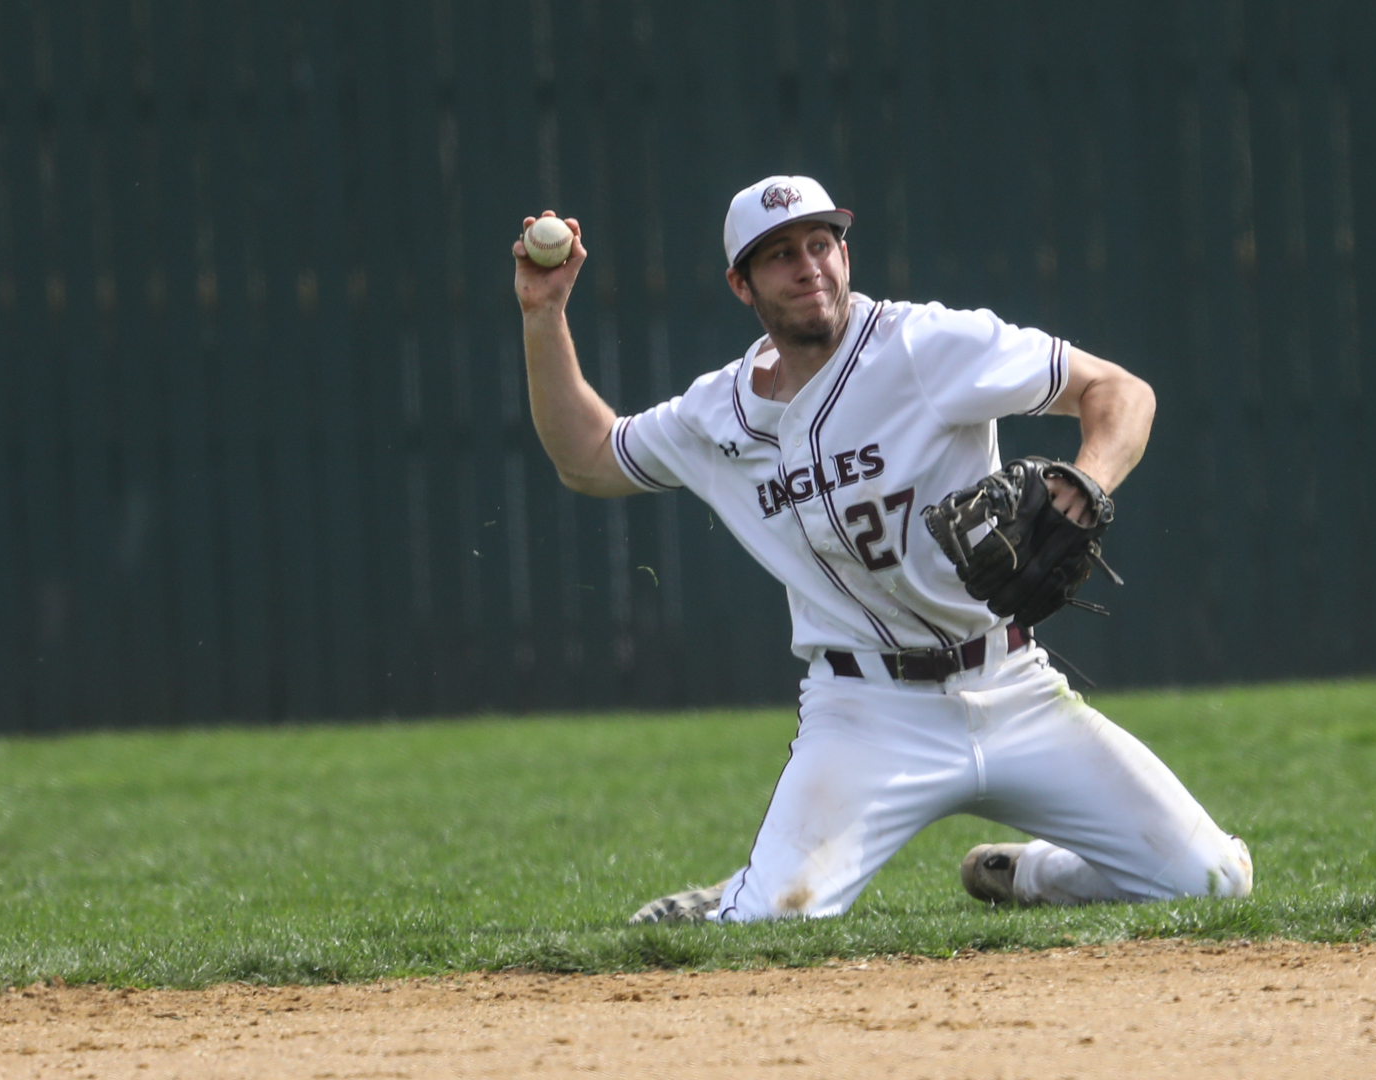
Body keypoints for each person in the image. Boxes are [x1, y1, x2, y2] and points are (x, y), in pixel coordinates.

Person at [512, 175, 1251, 922]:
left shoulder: (924, 346)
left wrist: (1086, 485)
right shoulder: (718, 415)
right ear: (741, 284)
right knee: (774, 920)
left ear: (845, 252)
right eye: (780, 255)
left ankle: (1027, 873)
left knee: (1215, 880)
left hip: (1012, 688)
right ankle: (740, 897)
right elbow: (588, 457)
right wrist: (544, 315)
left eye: (821, 243)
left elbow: (1120, 392)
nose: (809, 267)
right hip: (865, 711)